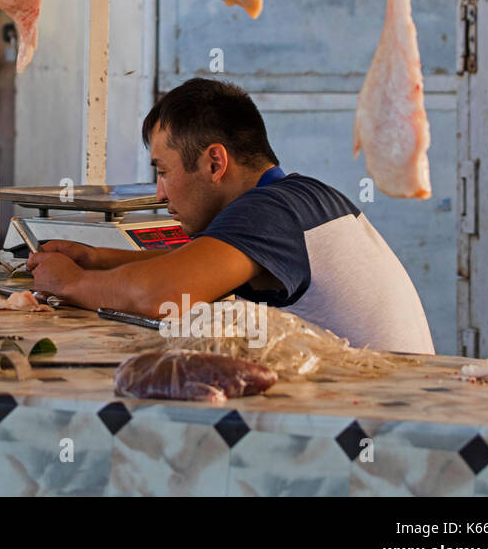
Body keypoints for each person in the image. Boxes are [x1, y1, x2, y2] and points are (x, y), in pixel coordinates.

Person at [28, 78, 434, 353]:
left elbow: (157, 295)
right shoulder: (301, 196)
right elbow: (191, 265)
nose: (159, 192)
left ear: (215, 163)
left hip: (379, 430)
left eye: (164, 172)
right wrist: (98, 258)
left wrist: (72, 282)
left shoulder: (268, 211)